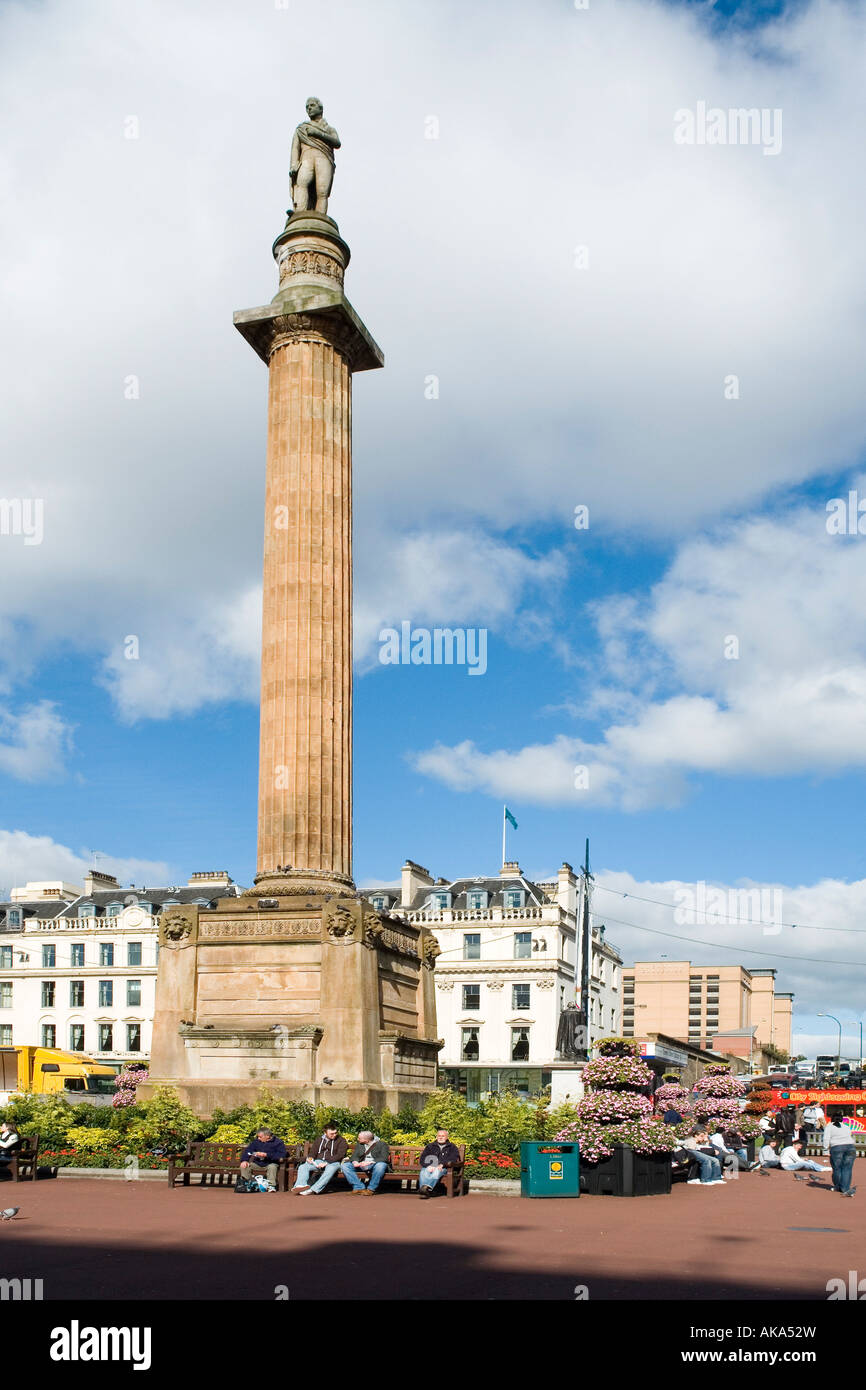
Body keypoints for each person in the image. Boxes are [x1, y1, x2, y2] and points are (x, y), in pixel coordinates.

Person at [294, 1122, 347, 1196]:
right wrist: (310, 1157)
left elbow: (340, 1155)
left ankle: (314, 1189)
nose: (334, 1135)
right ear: (325, 1133)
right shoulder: (319, 1140)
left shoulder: (341, 1140)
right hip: (318, 1161)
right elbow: (313, 1151)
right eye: (331, 1134)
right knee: (303, 1167)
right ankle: (300, 1186)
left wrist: (327, 1162)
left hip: (334, 1162)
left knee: (331, 1169)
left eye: (335, 1133)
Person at [418, 1129, 462, 1199]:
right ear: (436, 1137)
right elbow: (423, 1158)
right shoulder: (430, 1146)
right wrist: (429, 1165)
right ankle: (425, 1190)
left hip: (443, 1168)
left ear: (447, 1137)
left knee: (437, 1171)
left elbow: (453, 1158)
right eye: (439, 1136)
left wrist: (442, 1164)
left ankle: (424, 1189)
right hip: (430, 1166)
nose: (440, 1137)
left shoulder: (452, 1147)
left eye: (443, 1136)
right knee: (424, 1171)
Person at [239, 1128, 286, 1192]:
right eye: (258, 1136)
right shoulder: (256, 1142)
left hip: (271, 1163)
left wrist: (266, 1155)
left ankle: (271, 1186)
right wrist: (244, 1160)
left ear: (267, 1136)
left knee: (272, 1167)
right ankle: (246, 1184)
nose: (258, 1138)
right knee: (245, 1165)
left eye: (260, 1137)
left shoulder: (278, 1142)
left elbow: (281, 1155)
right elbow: (248, 1151)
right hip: (257, 1163)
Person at [823, 1116, 857, 1197]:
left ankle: (838, 1186)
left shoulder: (829, 1126)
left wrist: (825, 1150)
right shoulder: (846, 1126)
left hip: (837, 1147)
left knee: (837, 1168)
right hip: (850, 1147)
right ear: (842, 1120)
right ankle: (845, 1188)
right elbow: (850, 1135)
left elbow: (826, 1138)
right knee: (847, 1169)